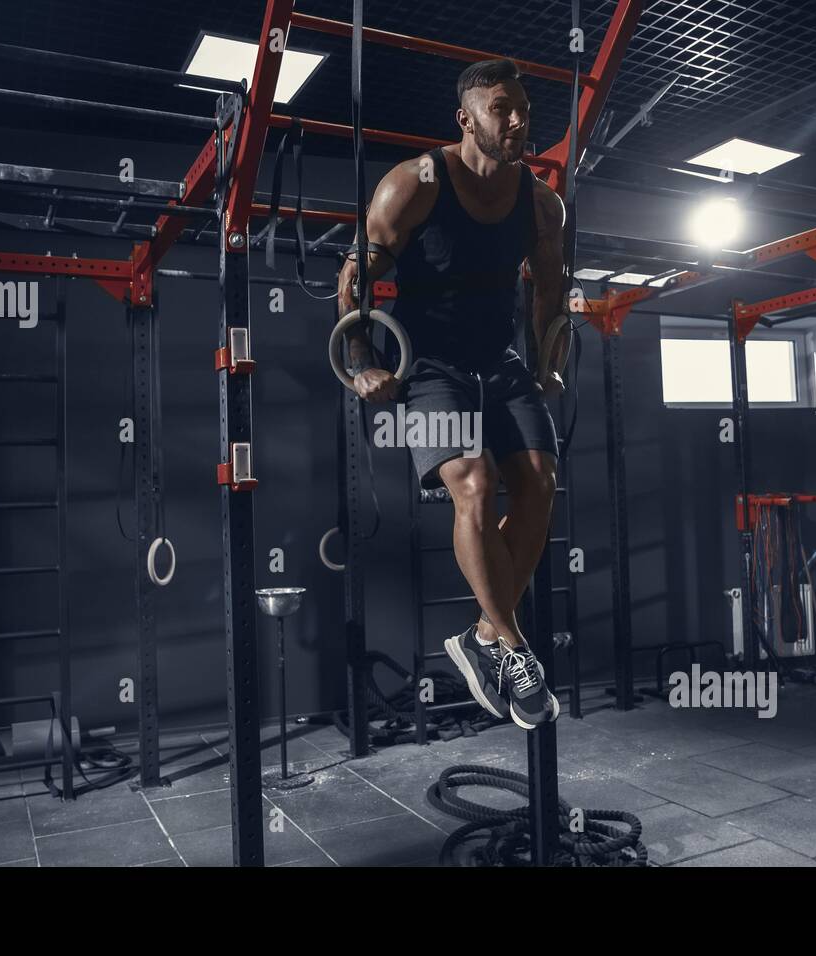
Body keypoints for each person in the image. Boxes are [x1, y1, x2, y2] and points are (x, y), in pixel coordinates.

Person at [336, 58, 570, 730]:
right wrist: (361, 359)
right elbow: (356, 276)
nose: (520, 121)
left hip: (498, 362)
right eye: (503, 108)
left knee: (541, 480)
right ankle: (516, 648)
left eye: (524, 108)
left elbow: (550, 287)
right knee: (473, 480)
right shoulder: (413, 185)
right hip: (428, 367)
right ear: (466, 119)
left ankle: (482, 637)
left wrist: (547, 357)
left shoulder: (539, 200)